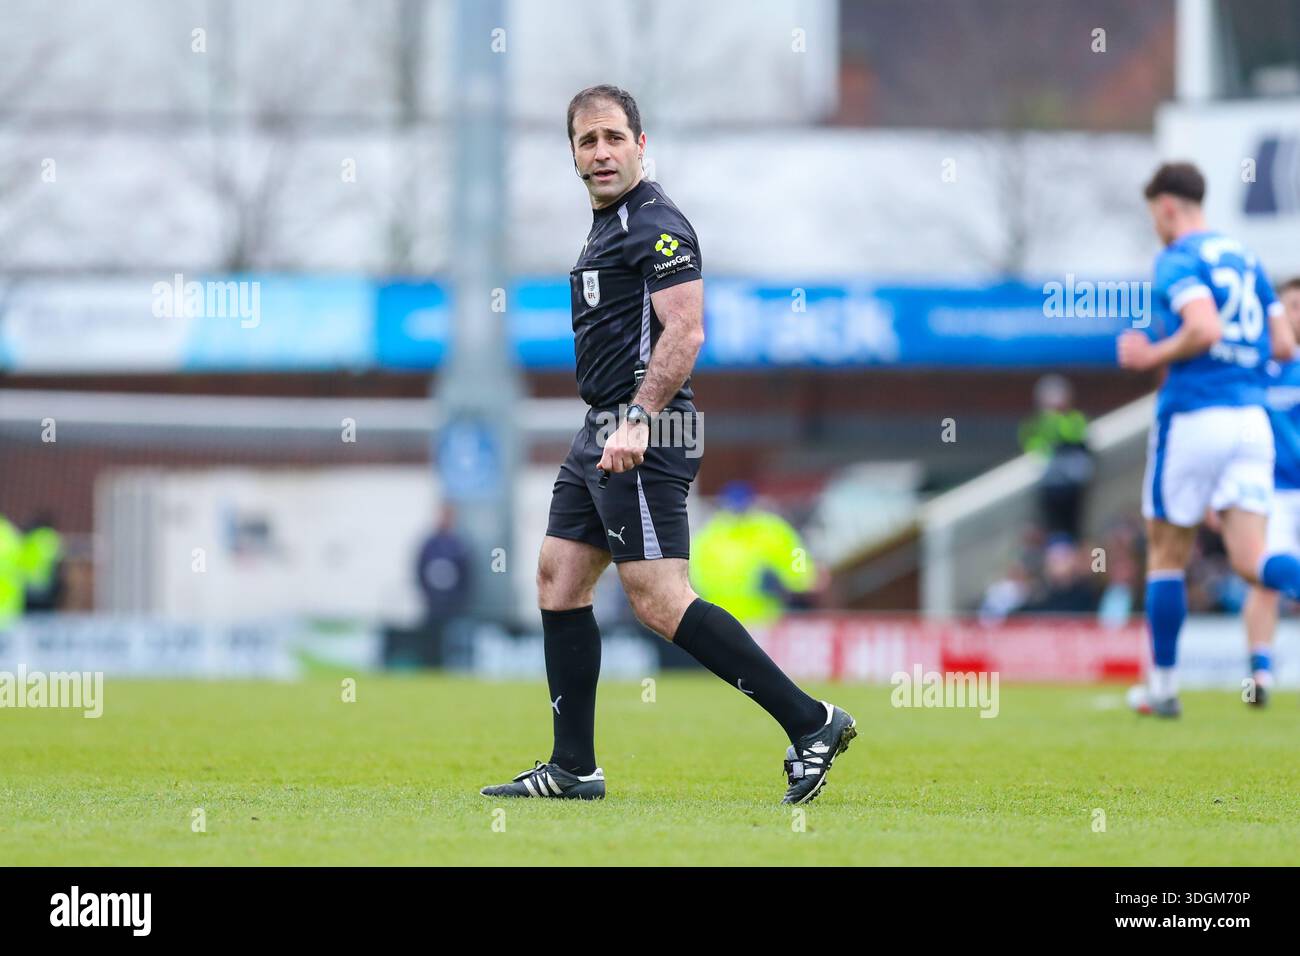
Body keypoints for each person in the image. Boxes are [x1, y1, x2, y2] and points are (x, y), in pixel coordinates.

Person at [480, 86, 856, 804]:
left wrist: (640, 419)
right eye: (587, 141)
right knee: (558, 578)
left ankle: (811, 721)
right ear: (572, 153)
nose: (601, 152)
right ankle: (573, 768)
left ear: (641, 145)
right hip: (601, 427)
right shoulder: (605, 227)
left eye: (613, 138)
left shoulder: (656, 222)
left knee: (658, 598)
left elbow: (685, 330)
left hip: (646, 430)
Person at [1118, 161, 1299, 718]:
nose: (1157, 227)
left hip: (1197, 414)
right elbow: (1285, 346)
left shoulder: (1180, 258)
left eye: (1156, 216)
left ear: (1168, 207)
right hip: (1251, 423)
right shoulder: (1246, 258)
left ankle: (1164, 688)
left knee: (1167, 554)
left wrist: (1152, 354)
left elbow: (1203, 328)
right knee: (1253, 561)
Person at [1240, 277, 1300, 706]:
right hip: (1271, 492)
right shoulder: (1255, 367)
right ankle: (1258, 675)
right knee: (1262, 580)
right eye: (1290, 306)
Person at [689, 481, 817, 629]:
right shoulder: (709, 536)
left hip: (765, 621)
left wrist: (787, 582)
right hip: (723, 621)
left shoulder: (773, 530)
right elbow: (692, 576)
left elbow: (799, 556)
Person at [1019, 375, 1092, 540]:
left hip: (1073, 486)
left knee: (1074, 527)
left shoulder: (1075, 419)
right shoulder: (1035, 423)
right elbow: (1035, 449)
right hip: (1049, 486)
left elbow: (1077, 437)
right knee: (1052, 527)